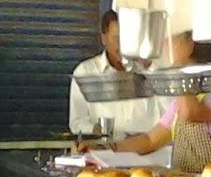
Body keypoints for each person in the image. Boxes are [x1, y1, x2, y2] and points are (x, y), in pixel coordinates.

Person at [107, 34, 211, 172]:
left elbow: (191, 113)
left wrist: (179, 62)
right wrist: (107, 148)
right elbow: (150, 141)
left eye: (170, 40)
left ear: (188, 44)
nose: (164, 48)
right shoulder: (191, 93)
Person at [68, 9, 161, 139]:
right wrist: (94, 129)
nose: (122, 45)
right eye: (117, 38)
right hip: (107, 150)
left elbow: (169, 114)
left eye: (128, 38)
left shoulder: (149, 71)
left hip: (148, 152)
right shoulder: (86, 73)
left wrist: (150, 68)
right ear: (104, 39)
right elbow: (77, 122)